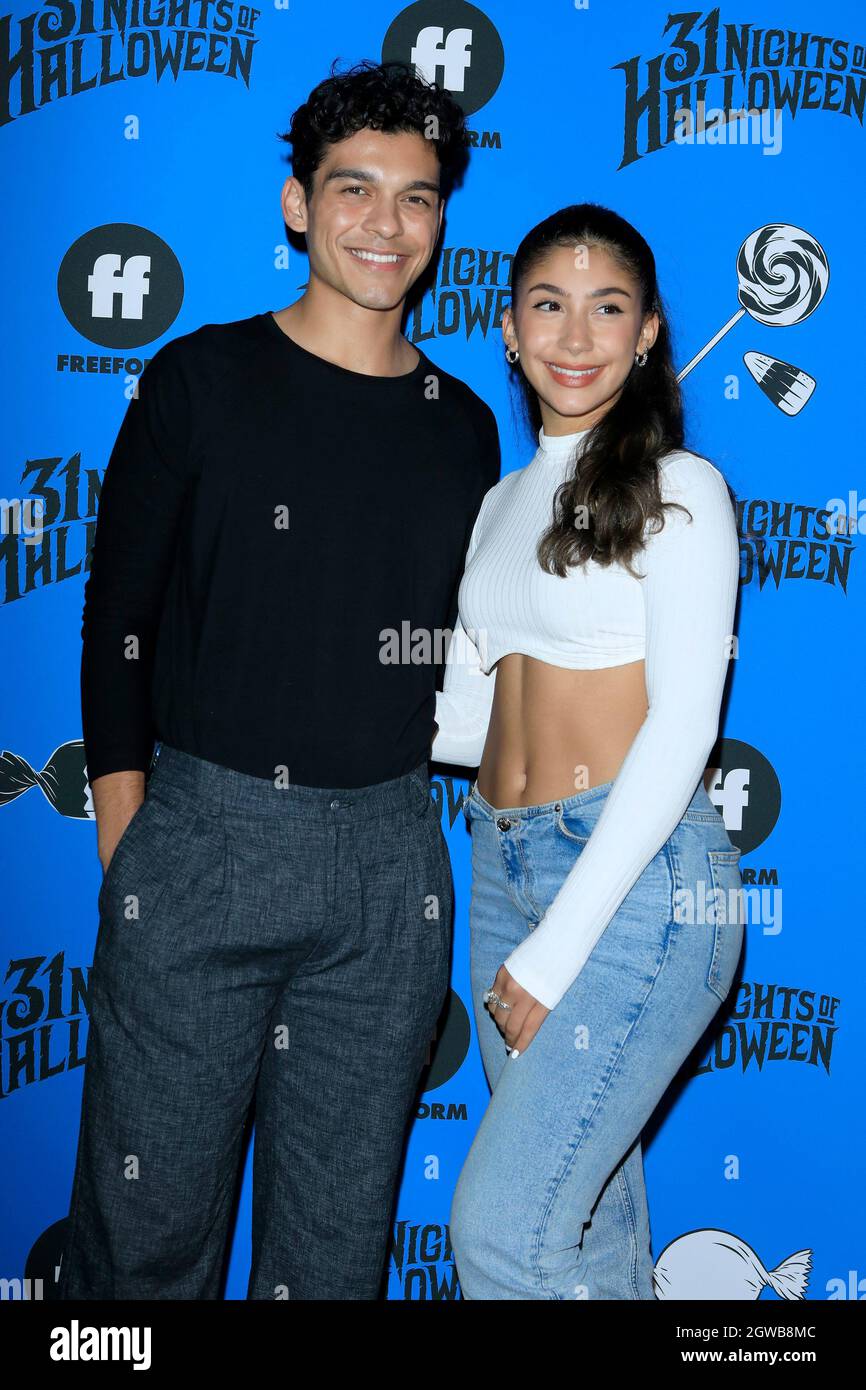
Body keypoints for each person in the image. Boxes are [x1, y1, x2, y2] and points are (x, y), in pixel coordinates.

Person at [57, 59, 500, 1301]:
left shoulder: (458, 422)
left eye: (415, 198)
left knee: (331, 1255)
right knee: (142, 1243)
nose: (383, 221)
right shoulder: (200, 381)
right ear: (299, 203)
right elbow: (118, 620)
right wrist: (134, 846)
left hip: (384, 863)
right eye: (352, 188)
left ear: (438, 222)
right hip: (199, 842)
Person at [431, 203, 744, 1300]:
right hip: (501, 872)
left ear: (648, 331)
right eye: (546, 308)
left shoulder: (680, 491)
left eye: (604, 308)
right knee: (587, 1244)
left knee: (501, 1236)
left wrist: (557, 950)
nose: (573, 337)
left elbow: (681, 729)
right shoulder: (496, 505)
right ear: (507, 330)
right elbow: (462, 721)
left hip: (631, 891)